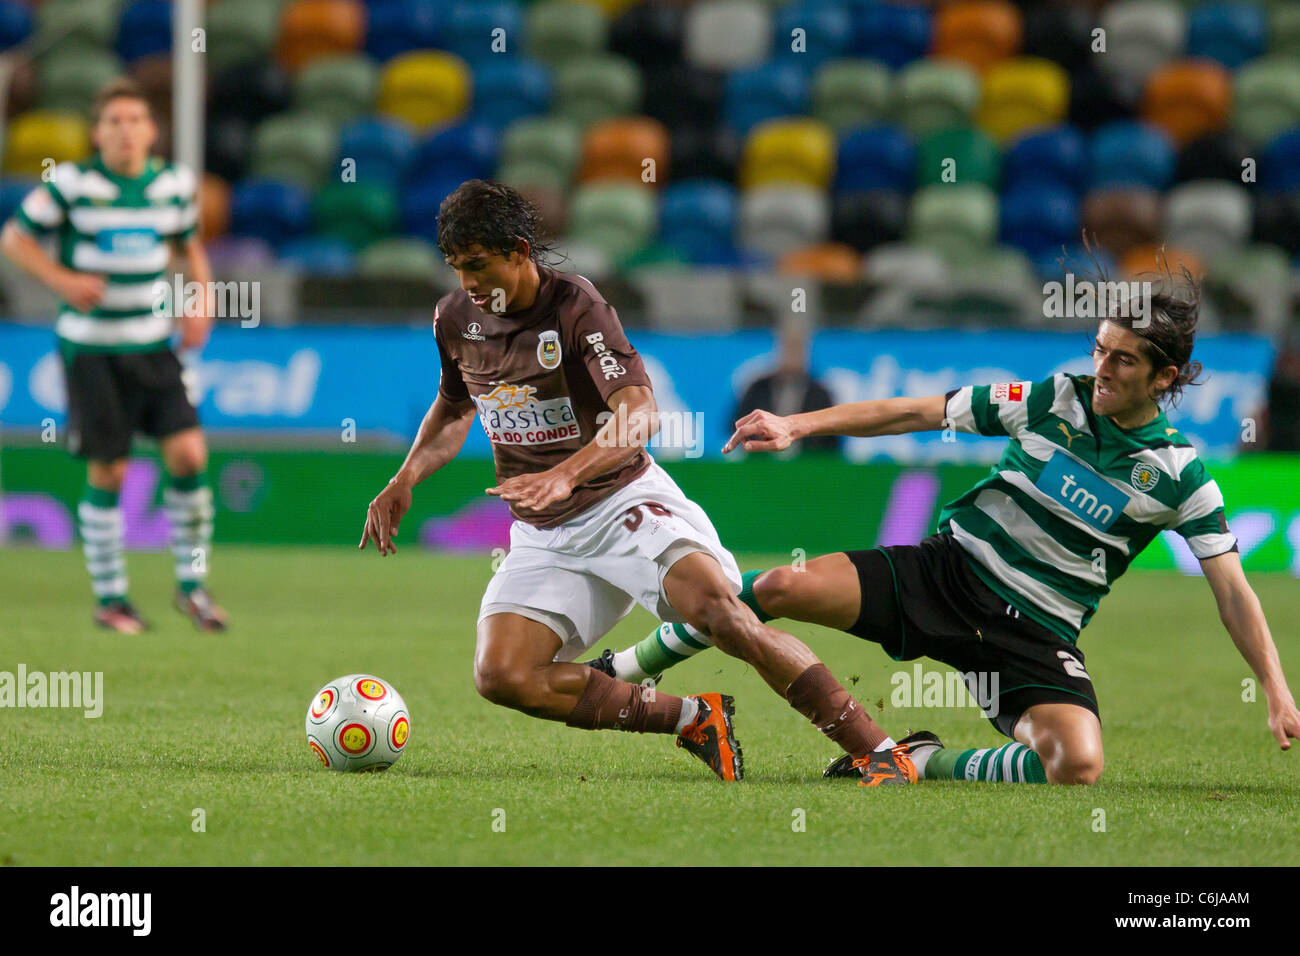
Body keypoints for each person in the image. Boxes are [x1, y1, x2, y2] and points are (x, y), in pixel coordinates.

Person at [596, 272, 1300, 785]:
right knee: (779, 584)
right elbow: (917, 412)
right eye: (1099, 349)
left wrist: (1275, 688)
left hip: (1035, 633)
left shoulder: (1181, 476)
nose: (1101, 369)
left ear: (1165, 376)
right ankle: (624, 669)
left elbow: (1234, 592)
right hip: (944, 574)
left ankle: (923, 760)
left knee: (1076, 764)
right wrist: (796, 424)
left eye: (1122, 360)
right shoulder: (1056, 398)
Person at [359, 180, 897, 781]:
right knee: (504, 677)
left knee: (720, 614)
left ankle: (873, 746)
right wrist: (403, 478)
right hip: (543, 534)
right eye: (457, 268)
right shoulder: (455, 318)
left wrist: (565, 473)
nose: (469, 284)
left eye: (479, 266)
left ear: (518, 250)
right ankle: (693, 718)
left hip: (623, 506)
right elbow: (455, 407)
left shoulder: (576, 307)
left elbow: (639, 415)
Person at [0, 78, 226, 633]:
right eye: (113, 122)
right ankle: (111, 599)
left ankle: (193, 588)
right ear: (97, 133)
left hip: (153, 345)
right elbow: (14, 238)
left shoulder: (172, 184)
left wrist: (201, 302)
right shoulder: (70, 184)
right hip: (92, 350)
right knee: (111, 469)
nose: (125, 131)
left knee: (190, 457)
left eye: (134, 120)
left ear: (152, 131)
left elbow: (189, 246)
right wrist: (61, 278)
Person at [731, 322, 841, 455]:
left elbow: (832, 439)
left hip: (805, 464)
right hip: (763, 461)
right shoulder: (758, 388)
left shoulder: (820, 393)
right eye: (788, 348)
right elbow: (736, 425)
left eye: (797, 349)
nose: (792, 355)